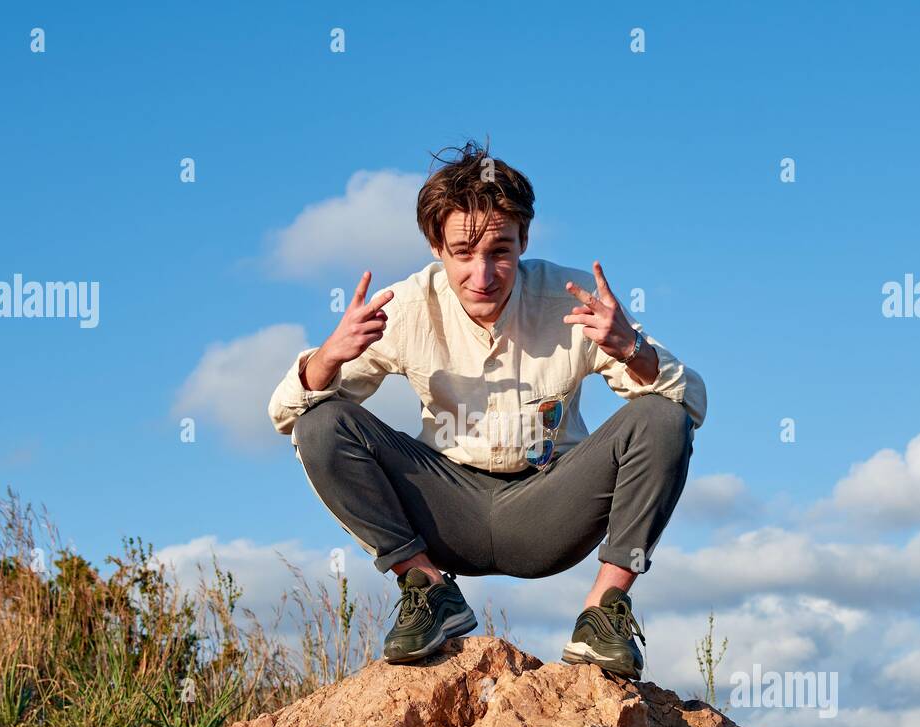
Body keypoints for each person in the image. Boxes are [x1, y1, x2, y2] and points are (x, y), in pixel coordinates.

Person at [269, 142, 706, 679]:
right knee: (321, 422)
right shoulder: (405, 307)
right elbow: (286, 413)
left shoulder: (574, 300)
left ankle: (602, 613)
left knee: (663, 414)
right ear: (436, 246)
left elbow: (691, 402)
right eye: (463, 253)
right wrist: (328, 358)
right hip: (444, 513)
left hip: (550, 507)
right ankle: (427, 590)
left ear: (524, 240)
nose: (483, 275)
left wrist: (632, 350)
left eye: (500, 251)